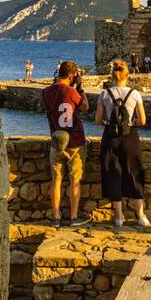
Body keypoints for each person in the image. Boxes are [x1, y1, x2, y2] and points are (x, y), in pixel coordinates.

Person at [95, 58, 149, 228]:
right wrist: (129, 124)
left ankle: (119, 217)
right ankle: (140, 216)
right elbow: (143, 120)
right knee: (135, 172)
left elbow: (98, 120)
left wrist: (111, 125)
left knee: (113, 173)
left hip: (111, 137)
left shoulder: (104, 94)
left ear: (112, 75)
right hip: (130, 137)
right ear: (127, 74)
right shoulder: (135, 94)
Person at [41, 61, 89, 225]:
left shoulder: (46, 92)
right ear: (71, 76)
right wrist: (80, 86)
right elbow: (85, 107)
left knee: (57, 181)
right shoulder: (72, 92)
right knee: (75, 180)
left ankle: (56, 217)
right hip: (75, 141)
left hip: (56, 142)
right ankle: (73, 217)